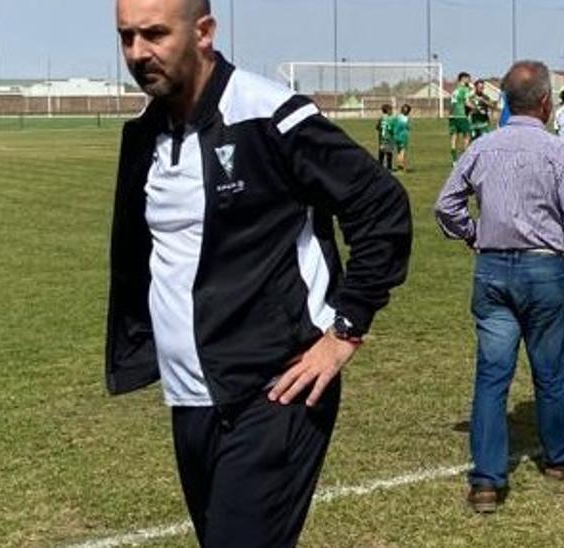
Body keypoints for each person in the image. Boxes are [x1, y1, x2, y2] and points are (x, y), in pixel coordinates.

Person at [108, 0, 413, 545]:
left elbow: (380, 205)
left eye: (154, 34)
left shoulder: (268, 114)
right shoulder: (144, 134)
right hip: (190, 398)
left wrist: (345, 330)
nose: (137, 53)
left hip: (276, 391)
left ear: (203, 32)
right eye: (126, 37)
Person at [435, 59, 564, 514]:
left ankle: (487, 481)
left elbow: (446, 205)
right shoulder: (557, 152)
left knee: (492, 375)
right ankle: (558, 458)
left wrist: (474, 235)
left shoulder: (482, 147)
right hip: (543, 269)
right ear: (547, 102)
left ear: (505, 102)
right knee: (548, 370)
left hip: (492, 270)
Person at [449, 71, 473, 163]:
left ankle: (454, 160)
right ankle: (464, 159)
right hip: (461, 115)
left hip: (452, 116)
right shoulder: (464, 90)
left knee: (454, 138)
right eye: (468, 78)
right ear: (463, 79)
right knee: (467, 136)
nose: (469, 80)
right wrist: (476, 108)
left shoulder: (455, 90)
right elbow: (467, 103)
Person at [377, 103, 396, 171]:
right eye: (391, 110)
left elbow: (377, 127)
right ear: (388, 111)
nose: (392, 111)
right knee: (389, 153)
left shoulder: (381, 118)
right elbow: (391, 129)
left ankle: (379, 166)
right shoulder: (390, 119)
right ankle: (389, 167)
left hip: (381, 138)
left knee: (381, 153)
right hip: (388, 138)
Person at [394, 104, 412, 172]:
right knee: (402, 152)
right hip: (403, 136)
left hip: (396, 136)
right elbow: (408, 127)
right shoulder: (407, 119)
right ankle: (402, 166)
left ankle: (399, 164)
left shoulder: (398, 117)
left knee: (398, 151)